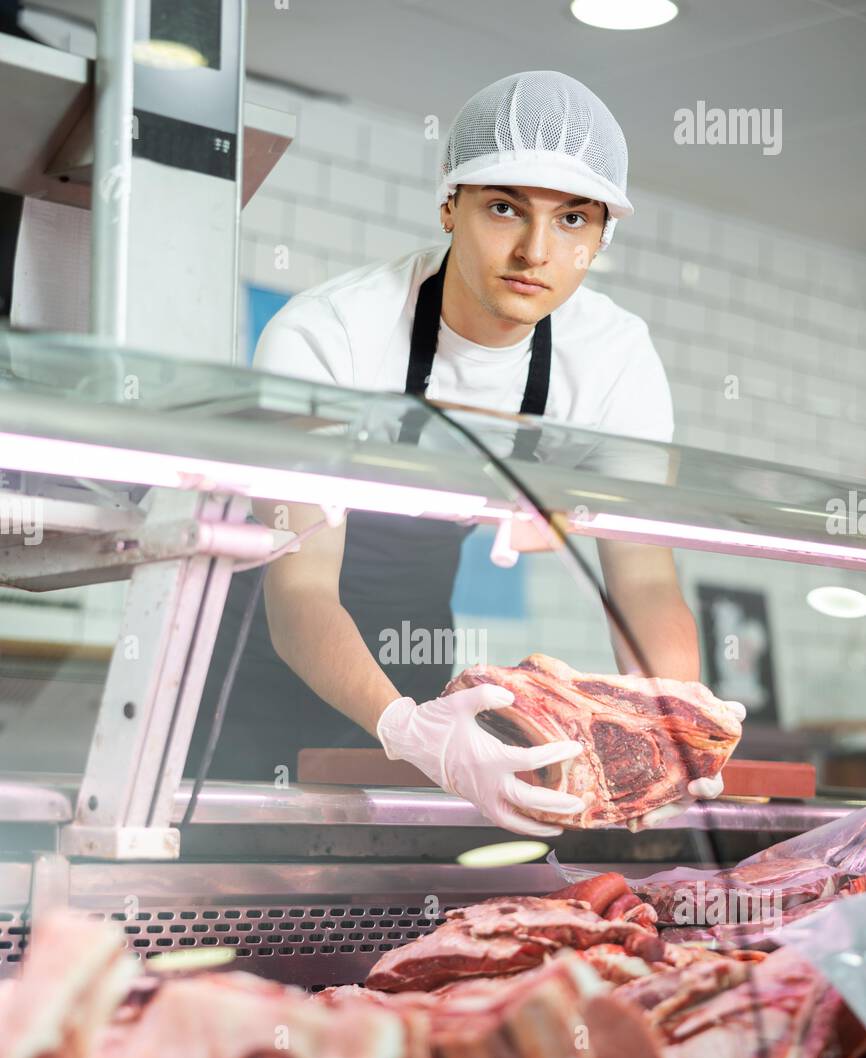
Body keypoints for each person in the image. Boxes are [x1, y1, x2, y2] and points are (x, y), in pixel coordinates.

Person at [186, 70, 741, 834]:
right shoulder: (328, 336)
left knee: (398, 873)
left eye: (573, 220)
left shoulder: (617, 359)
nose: (535, 250)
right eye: (505, 208)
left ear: (601, 235)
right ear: (450, 206)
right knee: (238, 863)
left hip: (417, 633)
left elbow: (643, 580)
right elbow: (300, 596)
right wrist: (407, 730)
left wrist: (673, 727)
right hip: (264, 653)